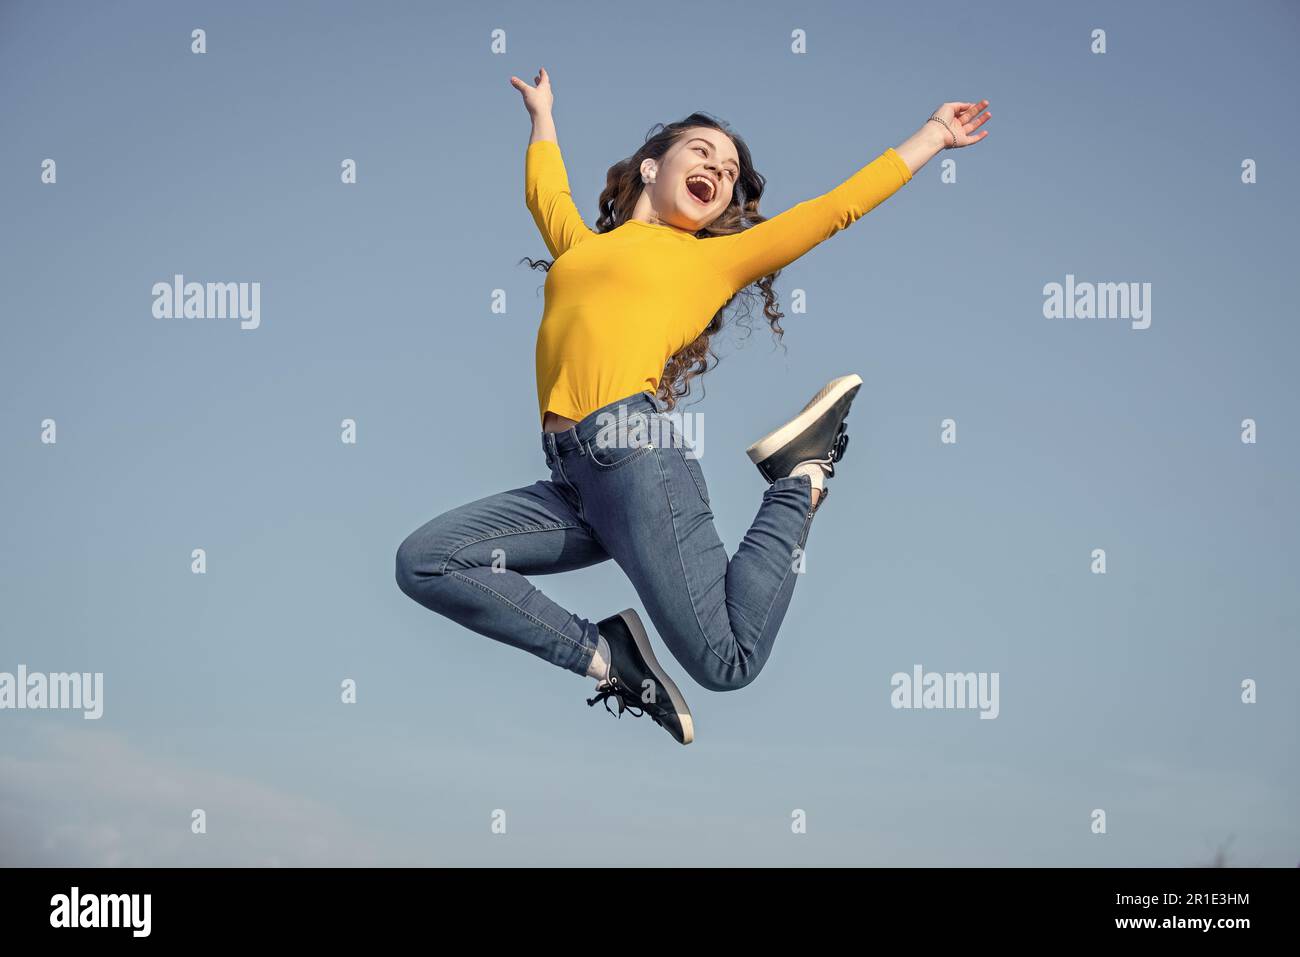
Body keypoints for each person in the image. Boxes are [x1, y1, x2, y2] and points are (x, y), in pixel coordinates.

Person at [396, 67, 991, 745]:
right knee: (427, 559)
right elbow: (547, 196)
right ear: (651, 167)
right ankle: (606, 656)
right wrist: (543, 116)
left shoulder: (712, 262)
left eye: (731, 170)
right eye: (703, 152)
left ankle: (800, 478)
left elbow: (831, 210)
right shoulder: (581, 249)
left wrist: (932, 137)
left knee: (728, 661)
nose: (719, 168)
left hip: (632, 452)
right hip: (572, 482)